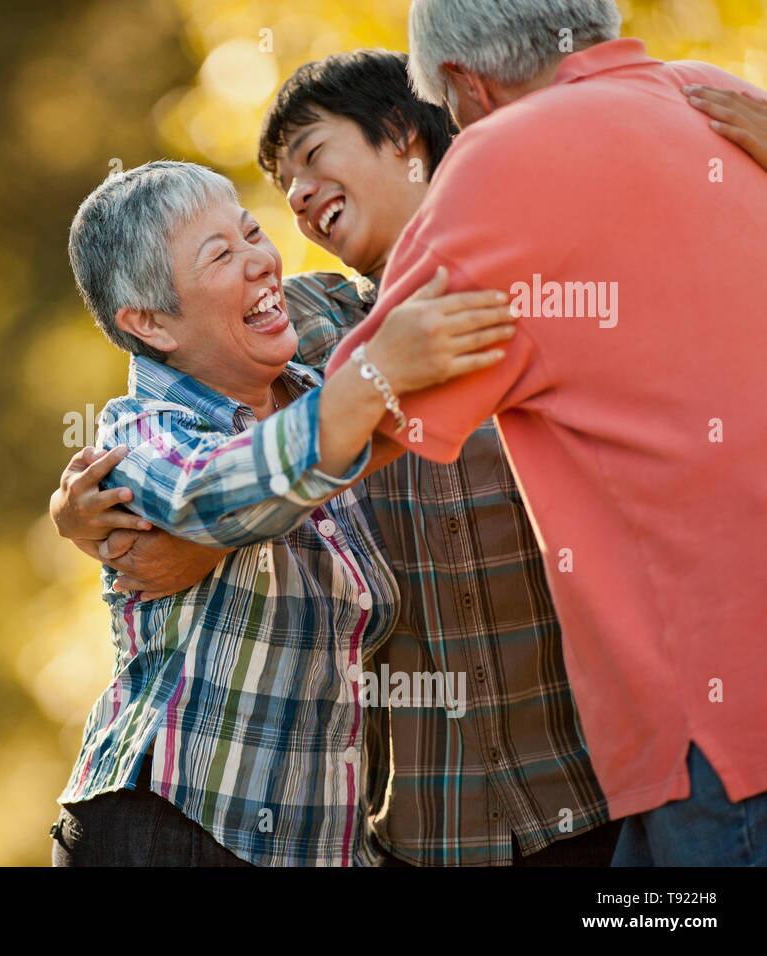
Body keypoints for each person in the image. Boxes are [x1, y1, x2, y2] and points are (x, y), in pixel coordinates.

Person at [54, 50, 621, 866]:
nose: (292, 204)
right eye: (280, 188)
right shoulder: (314, 336)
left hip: (587, 791)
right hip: (414, 830)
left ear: (406, 139)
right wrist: (89, 516)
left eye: (313, 155)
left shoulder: (562, 294)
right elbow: (174, 406)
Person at [319, 0, 767, 866]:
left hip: (718, 733)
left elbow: (356, 413)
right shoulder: (719, 100)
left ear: (464, 86)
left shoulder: (505, 154)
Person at [49, 160, 516, 866]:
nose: (261, 261)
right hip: (167, 832)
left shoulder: (315, 401)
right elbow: (217, 497)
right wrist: (369, 382)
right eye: (221, 255)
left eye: (250, 234)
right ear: (149, 322)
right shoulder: (138, 435)